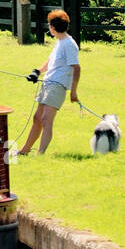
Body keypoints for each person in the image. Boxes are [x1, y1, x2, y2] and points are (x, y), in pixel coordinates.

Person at [18, 9, 81, 156]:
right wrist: (37, 72)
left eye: (49, 25)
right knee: (37, 118)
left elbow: (76, 68)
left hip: (57, 86)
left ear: (53, 27)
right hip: (48, 83)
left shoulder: (69, 44)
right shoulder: (59, 42)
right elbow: (50, 62)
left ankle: (40, 154)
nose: (49, 27)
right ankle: (25, 150)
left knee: (46, 119)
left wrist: (74, 91)